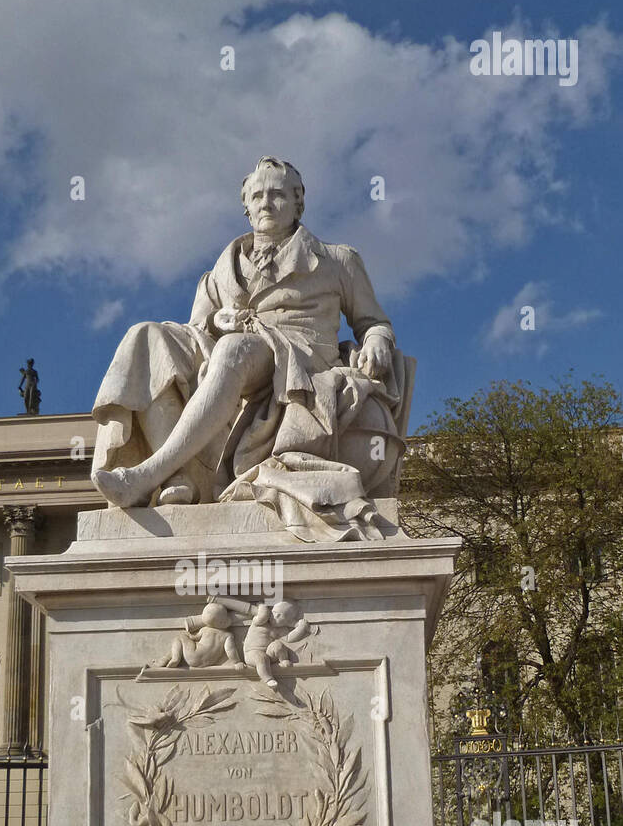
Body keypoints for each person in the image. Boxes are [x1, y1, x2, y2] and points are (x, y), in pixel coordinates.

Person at [91, 156, 407, 539]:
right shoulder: (220, 272)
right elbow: (194, 331)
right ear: (246, 207)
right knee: (147, 337)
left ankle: (148, 474)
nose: (266, 203)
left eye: (277, 194)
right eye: (257, 196)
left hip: (300, 361)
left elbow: (373, 322)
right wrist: (215, 322)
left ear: (298, 204)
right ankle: (182, 477)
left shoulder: (338, 260)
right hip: (233, 354)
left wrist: (376, 341)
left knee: (233, 351)